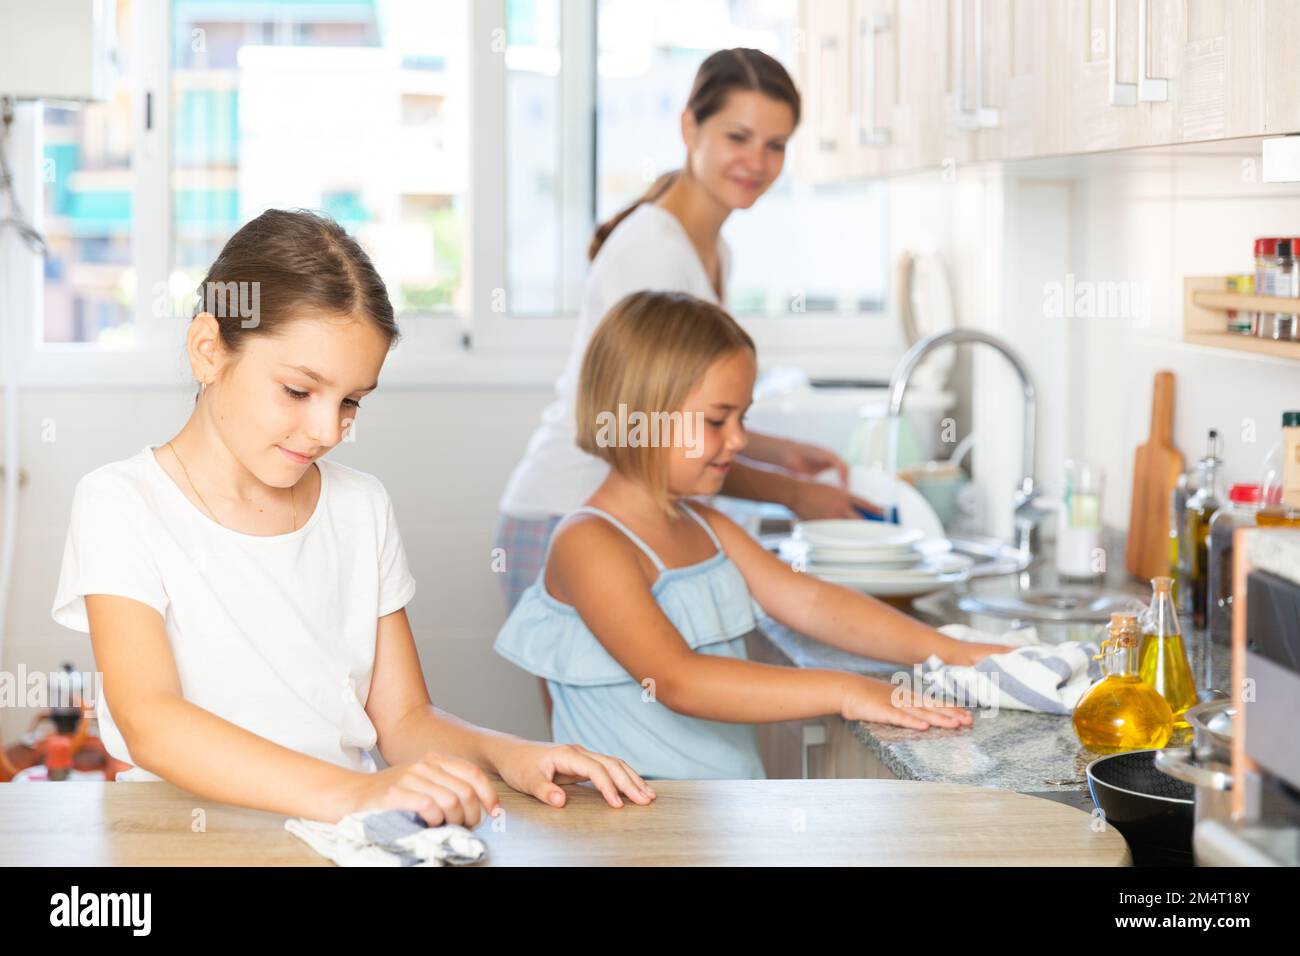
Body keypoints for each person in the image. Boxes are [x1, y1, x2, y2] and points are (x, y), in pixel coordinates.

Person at [50, 209, 654, 825]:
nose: (326, 429)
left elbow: (403, 721)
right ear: (209, 350)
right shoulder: (121, 502)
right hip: (181, 836)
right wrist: (353, 794)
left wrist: (511, 754)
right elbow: (151, 721)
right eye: (298, 390)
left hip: (339, 837)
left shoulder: (360, 507)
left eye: (351, 402)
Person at [495, 291, 1013, 780]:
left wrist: (946, 648)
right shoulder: (588, 543)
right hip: (628, 829)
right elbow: (679, 680)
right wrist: (846, 689)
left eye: (741, 418)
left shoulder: (707, 525)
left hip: (710, 814)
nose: (739, 440)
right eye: (718, 420)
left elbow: (811, 603)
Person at [496, 48, 878, 620]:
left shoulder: (712, 248)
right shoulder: (654, 251)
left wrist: (779, 453)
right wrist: (793, 493)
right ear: (689, 127)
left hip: (613, 516)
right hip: (568, 512)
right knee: (609, 712)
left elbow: (681, 408)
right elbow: (650, 432)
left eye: (775, 145)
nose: (757, 161)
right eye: (738, 137)